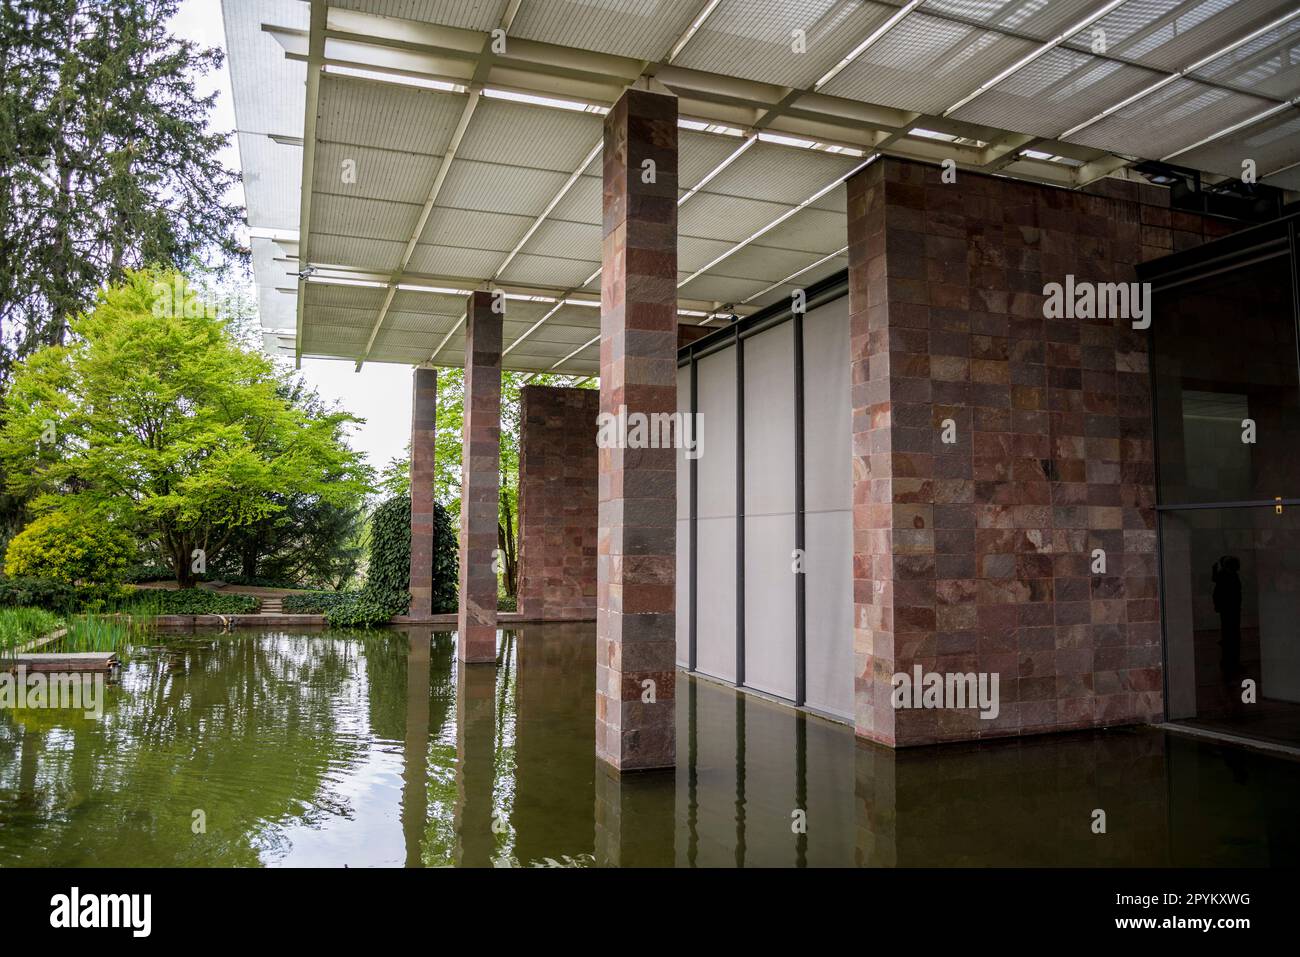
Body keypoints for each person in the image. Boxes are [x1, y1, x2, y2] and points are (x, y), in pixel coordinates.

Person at [1212, 555, 1242, 675]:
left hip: (1231, 609)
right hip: (1230, 609)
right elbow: (1218, 593)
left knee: (1230, 631)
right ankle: (1230, 663)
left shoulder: (1227, 575)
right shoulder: (1227, 576)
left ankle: (1229, 661)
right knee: (1230, 632)